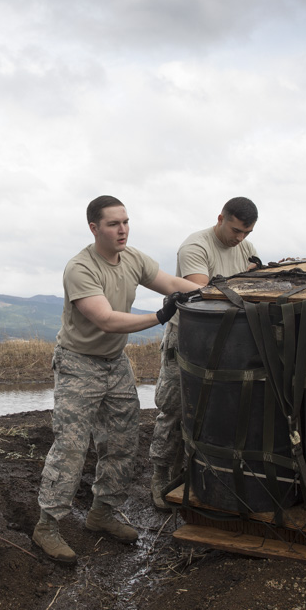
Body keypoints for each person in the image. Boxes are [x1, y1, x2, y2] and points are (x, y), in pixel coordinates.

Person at [33, 195, 204, 564]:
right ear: (95, 228)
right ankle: (47, 525)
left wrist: (211, 290)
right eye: (113, 224)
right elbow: (107, 319)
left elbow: (171, 281)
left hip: (115, 363)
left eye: (126, 222)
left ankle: (102, 513)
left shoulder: (133, 258)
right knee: (71, 447)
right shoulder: (80, 268)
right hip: (79, 364)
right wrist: (160, 317)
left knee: (124, 443)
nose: (122, 229)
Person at [149, 197, 260, 510]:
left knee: (213, 412)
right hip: (188, 337)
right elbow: (203, 293)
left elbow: (255, 275)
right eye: (236, 230)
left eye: (247, 233)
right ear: (221, 218)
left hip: (230, 339)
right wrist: (247, 280)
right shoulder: (196, 247)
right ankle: (159, 477)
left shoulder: (246, 247)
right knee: (174, 408)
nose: (239, 238)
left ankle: (194, 473)